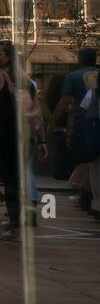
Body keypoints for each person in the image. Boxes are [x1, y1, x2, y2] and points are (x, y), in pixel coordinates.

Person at [0, 41, 46, 242]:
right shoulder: (28, 81)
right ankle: (19, 222)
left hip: (5, 135)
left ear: (8, 56)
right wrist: (42, 141)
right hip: (26, 137)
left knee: (10, 180)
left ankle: (15, 226)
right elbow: (36, 114)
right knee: (20, 178)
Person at [52, 47, 99, 205]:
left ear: (80, 59)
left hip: (87, 126)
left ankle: (89, 197)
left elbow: (66, 103)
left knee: (89, 162)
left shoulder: (73, 77)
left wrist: (54, 121)